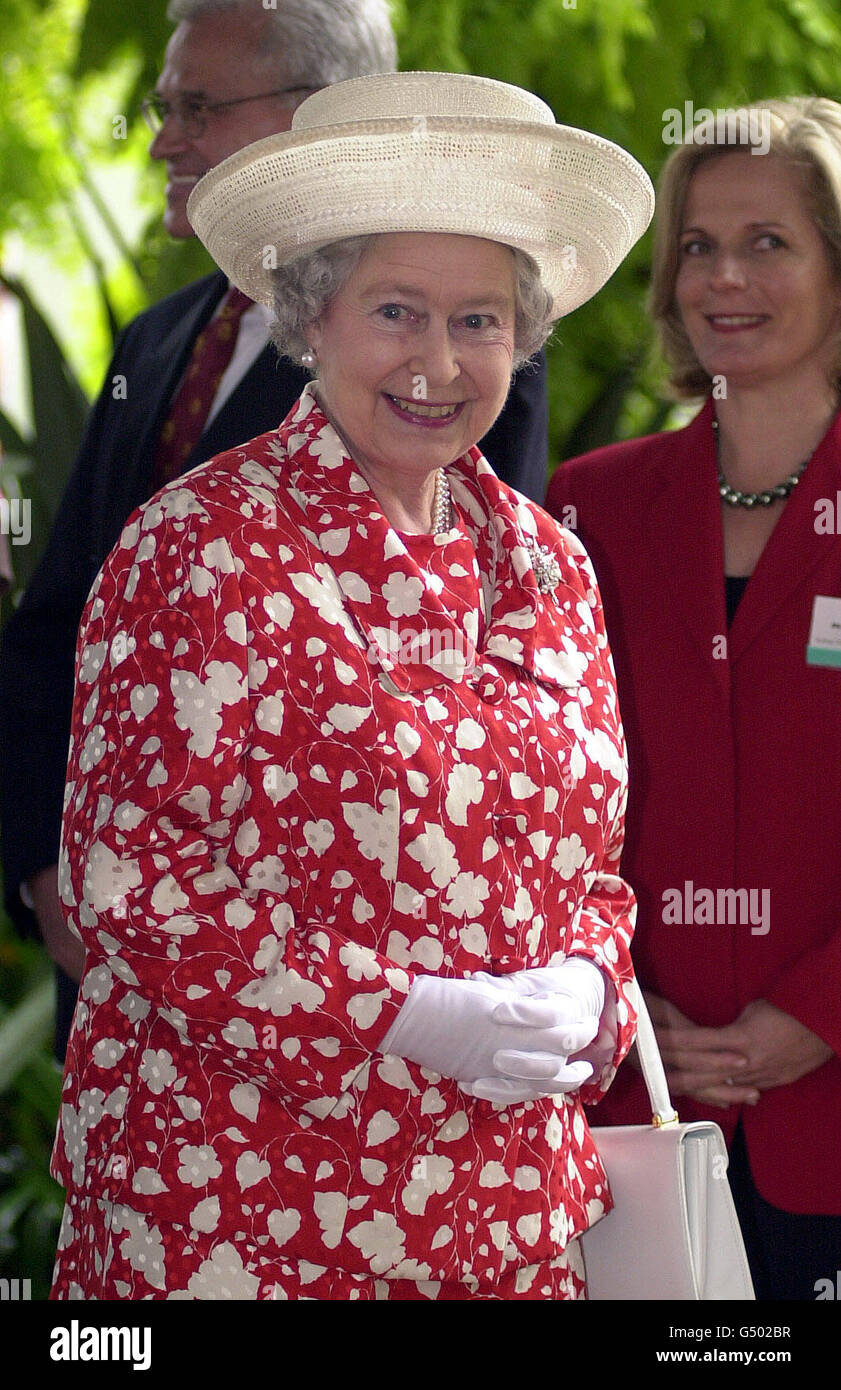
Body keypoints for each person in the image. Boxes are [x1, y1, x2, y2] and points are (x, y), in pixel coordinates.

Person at [49, 70, 652, 1301]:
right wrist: (401, 1012)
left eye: (481, 320)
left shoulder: (550, 560)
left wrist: (593, 985)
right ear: (309, 316)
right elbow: (126, 877)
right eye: (397, 310)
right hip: (243, 1221)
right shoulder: (196, 545)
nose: (439, 361)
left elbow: (590, 866)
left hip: (505, 1225)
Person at [0, 0, 549, 1066]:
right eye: (165, 107)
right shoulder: (156, 340)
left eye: (196, 106)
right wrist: (48, 879)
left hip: (348, 1022)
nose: (163, 138)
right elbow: (49, 629)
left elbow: (457, 691)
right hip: (119, 1009)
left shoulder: (459, 371)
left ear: (318, 119)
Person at [546, 97, 841, 1300]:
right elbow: (529, 803)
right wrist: (613, 1003)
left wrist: (818, 1013)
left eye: (767, 241)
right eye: (697, 246)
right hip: (632, 1116)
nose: (724, 276)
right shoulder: (584, 507)